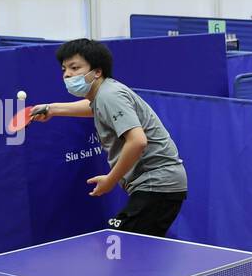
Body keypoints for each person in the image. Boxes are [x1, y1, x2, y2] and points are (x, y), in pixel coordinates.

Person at [32, 39, 188, 237]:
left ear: (97, 71)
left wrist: (110, 180)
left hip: (157, 183)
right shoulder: (104, 94)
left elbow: (138, 141)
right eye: (64, 69)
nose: (67, 74)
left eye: (74, 67)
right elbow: (93, 108)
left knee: (120, 244)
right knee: (140, 253)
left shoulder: (109, 96)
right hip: (158, 185)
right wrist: (52, 109)